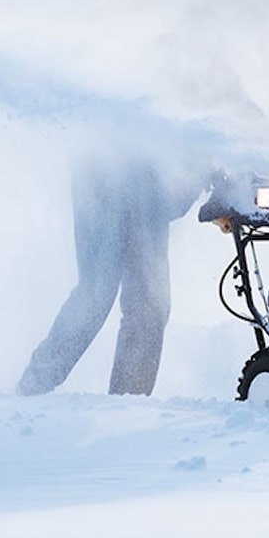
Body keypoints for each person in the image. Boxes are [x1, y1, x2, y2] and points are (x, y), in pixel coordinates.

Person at [15, 144, 205, 396]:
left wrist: (204, 175)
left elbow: (173, 201)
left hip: (150, 177)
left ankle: (127, 401)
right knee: (97, 290)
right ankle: (33, 387)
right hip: (102, 168)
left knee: (150, 304)